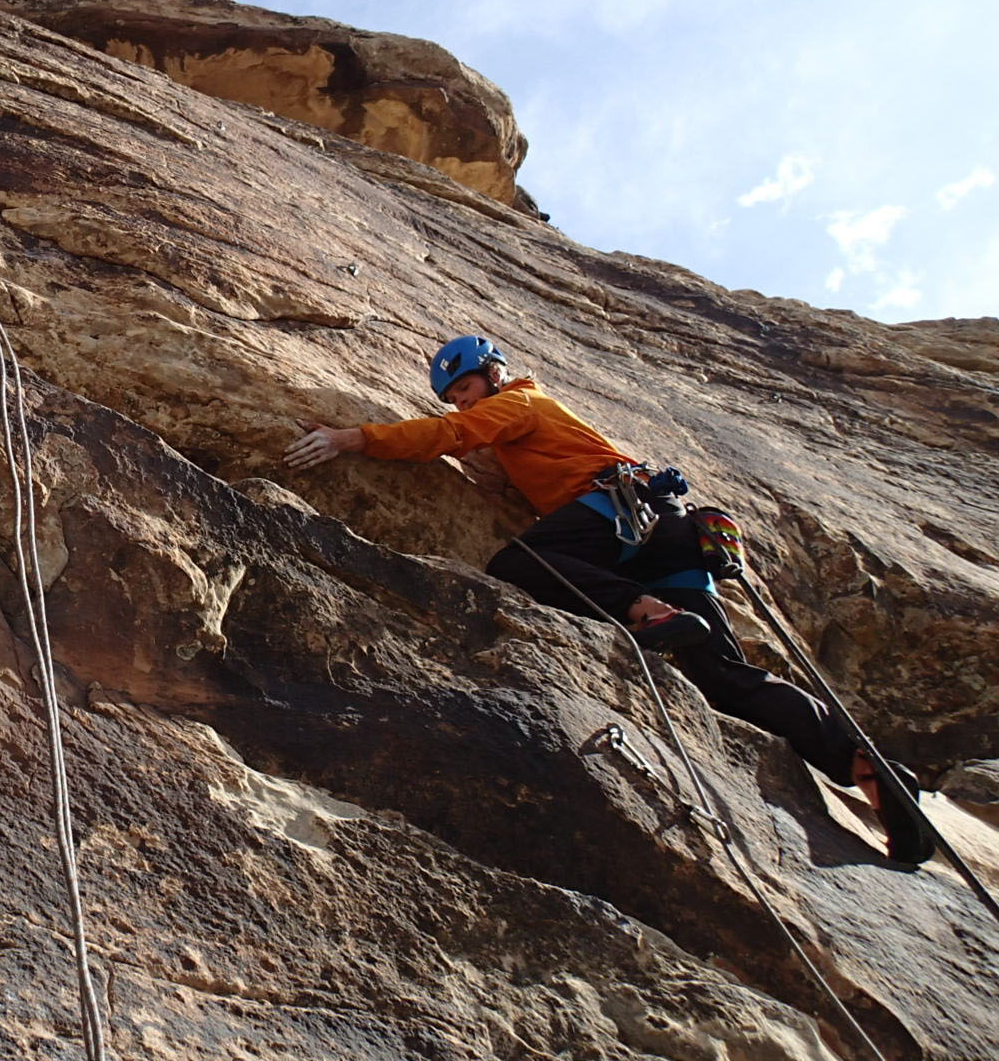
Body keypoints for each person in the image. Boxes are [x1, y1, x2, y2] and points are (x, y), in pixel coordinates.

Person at [284, 334, 932, 865]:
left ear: (493, 374)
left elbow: (453, 436)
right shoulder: (538, 422)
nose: (461, 403)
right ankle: (866, 767)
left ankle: (647, 612)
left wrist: (354, 438)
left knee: (520, 563)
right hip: (665, 533)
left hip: (617, 517)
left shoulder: (522, 401)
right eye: (453, 396)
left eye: (465, 389)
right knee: (725, 681)